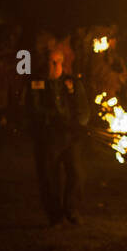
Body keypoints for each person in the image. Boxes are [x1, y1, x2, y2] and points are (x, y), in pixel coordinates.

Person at [24, 45, 90, 225]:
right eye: (48, 62)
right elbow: (34, 109)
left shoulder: (72, 82)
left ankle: (71, 209)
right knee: (49, 177)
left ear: (62, 63)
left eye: (55, 62)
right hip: (48, 138)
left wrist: (78, 125)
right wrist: (53, 119)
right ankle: (55, 215)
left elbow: (83, 108)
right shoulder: (36, 83)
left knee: (76, 173)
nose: (51, 66)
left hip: (70, 137)